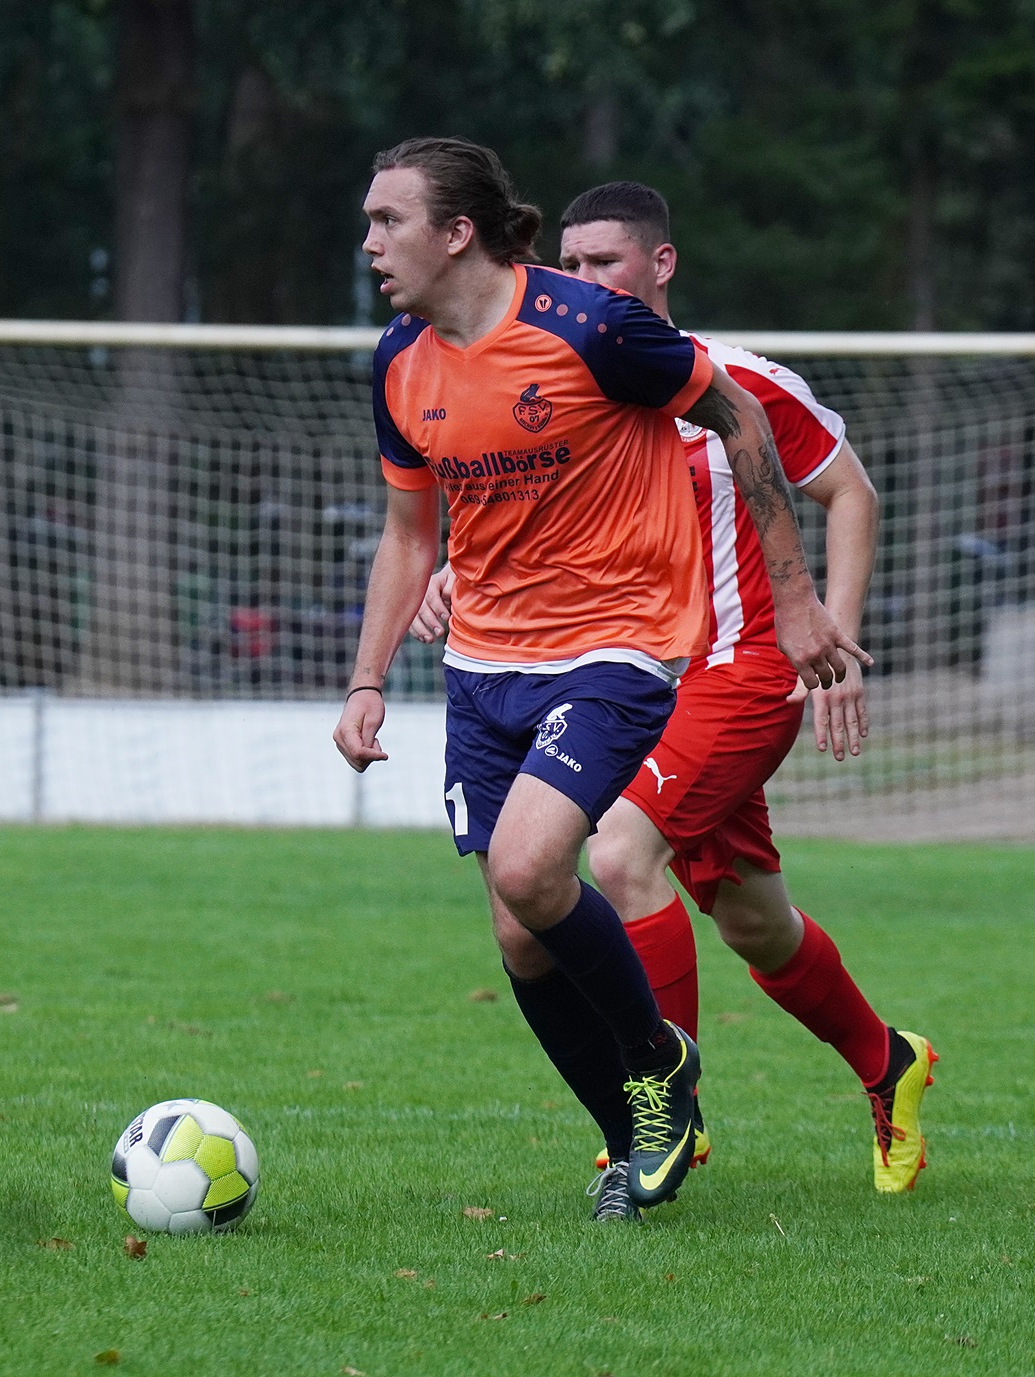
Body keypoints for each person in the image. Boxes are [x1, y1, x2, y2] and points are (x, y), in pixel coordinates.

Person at [333, 138, 866, 1221]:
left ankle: (659, 1065)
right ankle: (631, 1135)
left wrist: (803, 603)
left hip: (618, 649)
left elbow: (741, 418)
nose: (369, 242)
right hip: (484, 667)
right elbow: (406, 533)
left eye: (388, 221)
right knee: (517, 928)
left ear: (455, 233)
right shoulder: (400, 360)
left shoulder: (590, 326)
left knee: (542, 868)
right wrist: (366, 679)